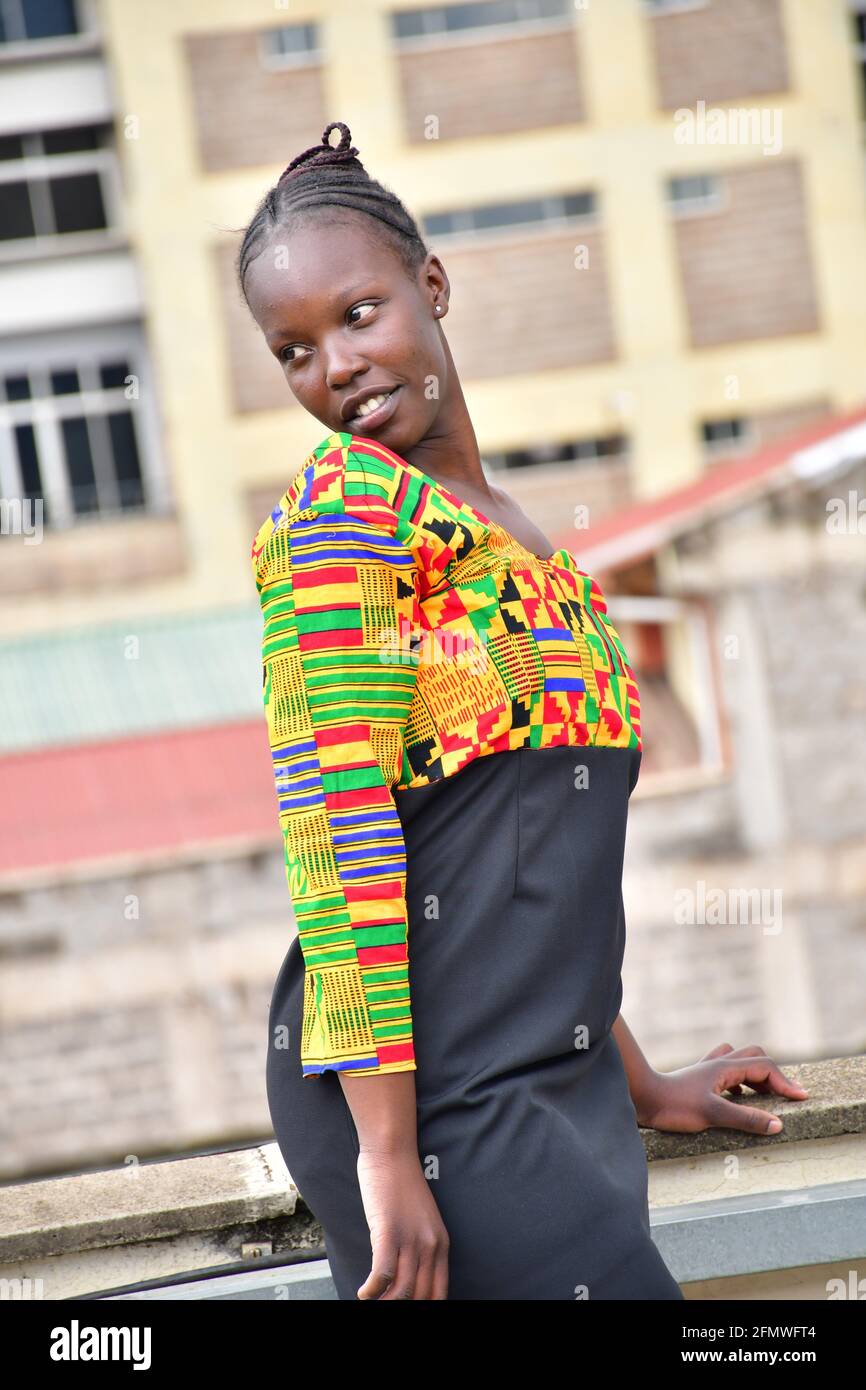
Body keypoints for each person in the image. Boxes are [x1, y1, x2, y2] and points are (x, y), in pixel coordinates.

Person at [238, 122, 809, 1301]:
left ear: (430, 286)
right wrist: (389, 1158)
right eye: (291, 349)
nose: (333, 368)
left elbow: (538, 876)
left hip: (547, 1075)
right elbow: (335, 830)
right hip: (422, 1093)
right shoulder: (344, 515)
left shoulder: (522, 542)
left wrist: (637, 1077)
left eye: (356, 315)